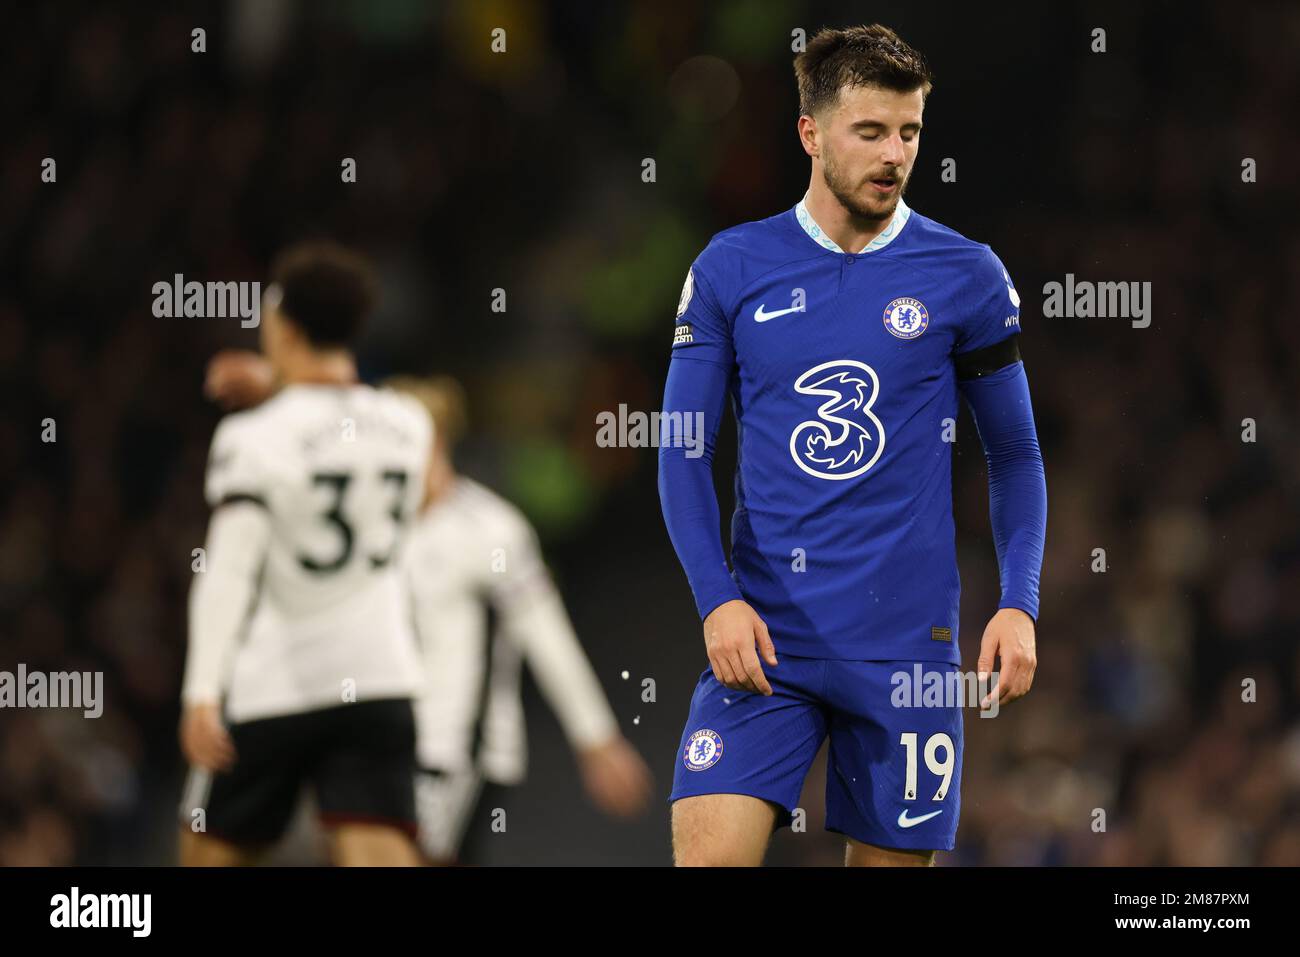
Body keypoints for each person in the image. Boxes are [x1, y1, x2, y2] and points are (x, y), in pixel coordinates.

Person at [658, 24, 1047, 866]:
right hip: (766, 643)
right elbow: (682, 449)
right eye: (870, 131)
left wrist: (1019, 600)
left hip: (908, 652)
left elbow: (1015, 455)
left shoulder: (966, 274)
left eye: (908, 132)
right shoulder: (732, 267)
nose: (894, 154)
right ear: (810, 133)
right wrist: (715, 599)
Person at [179, 241, 431, 866]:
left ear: (285, 329)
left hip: (276, 684)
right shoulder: (411, 424)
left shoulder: (249, 437)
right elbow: (342, 415)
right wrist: (277, 386)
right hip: (380, 678)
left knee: (206, 856)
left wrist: (201, 691)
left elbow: (228, 571)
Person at [387, 376, 653, 864]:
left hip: (458, 750)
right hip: (387, 745)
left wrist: (596, 738)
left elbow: (545, 633)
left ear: (437, 439)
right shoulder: (379, 527)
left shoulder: (491, 529)